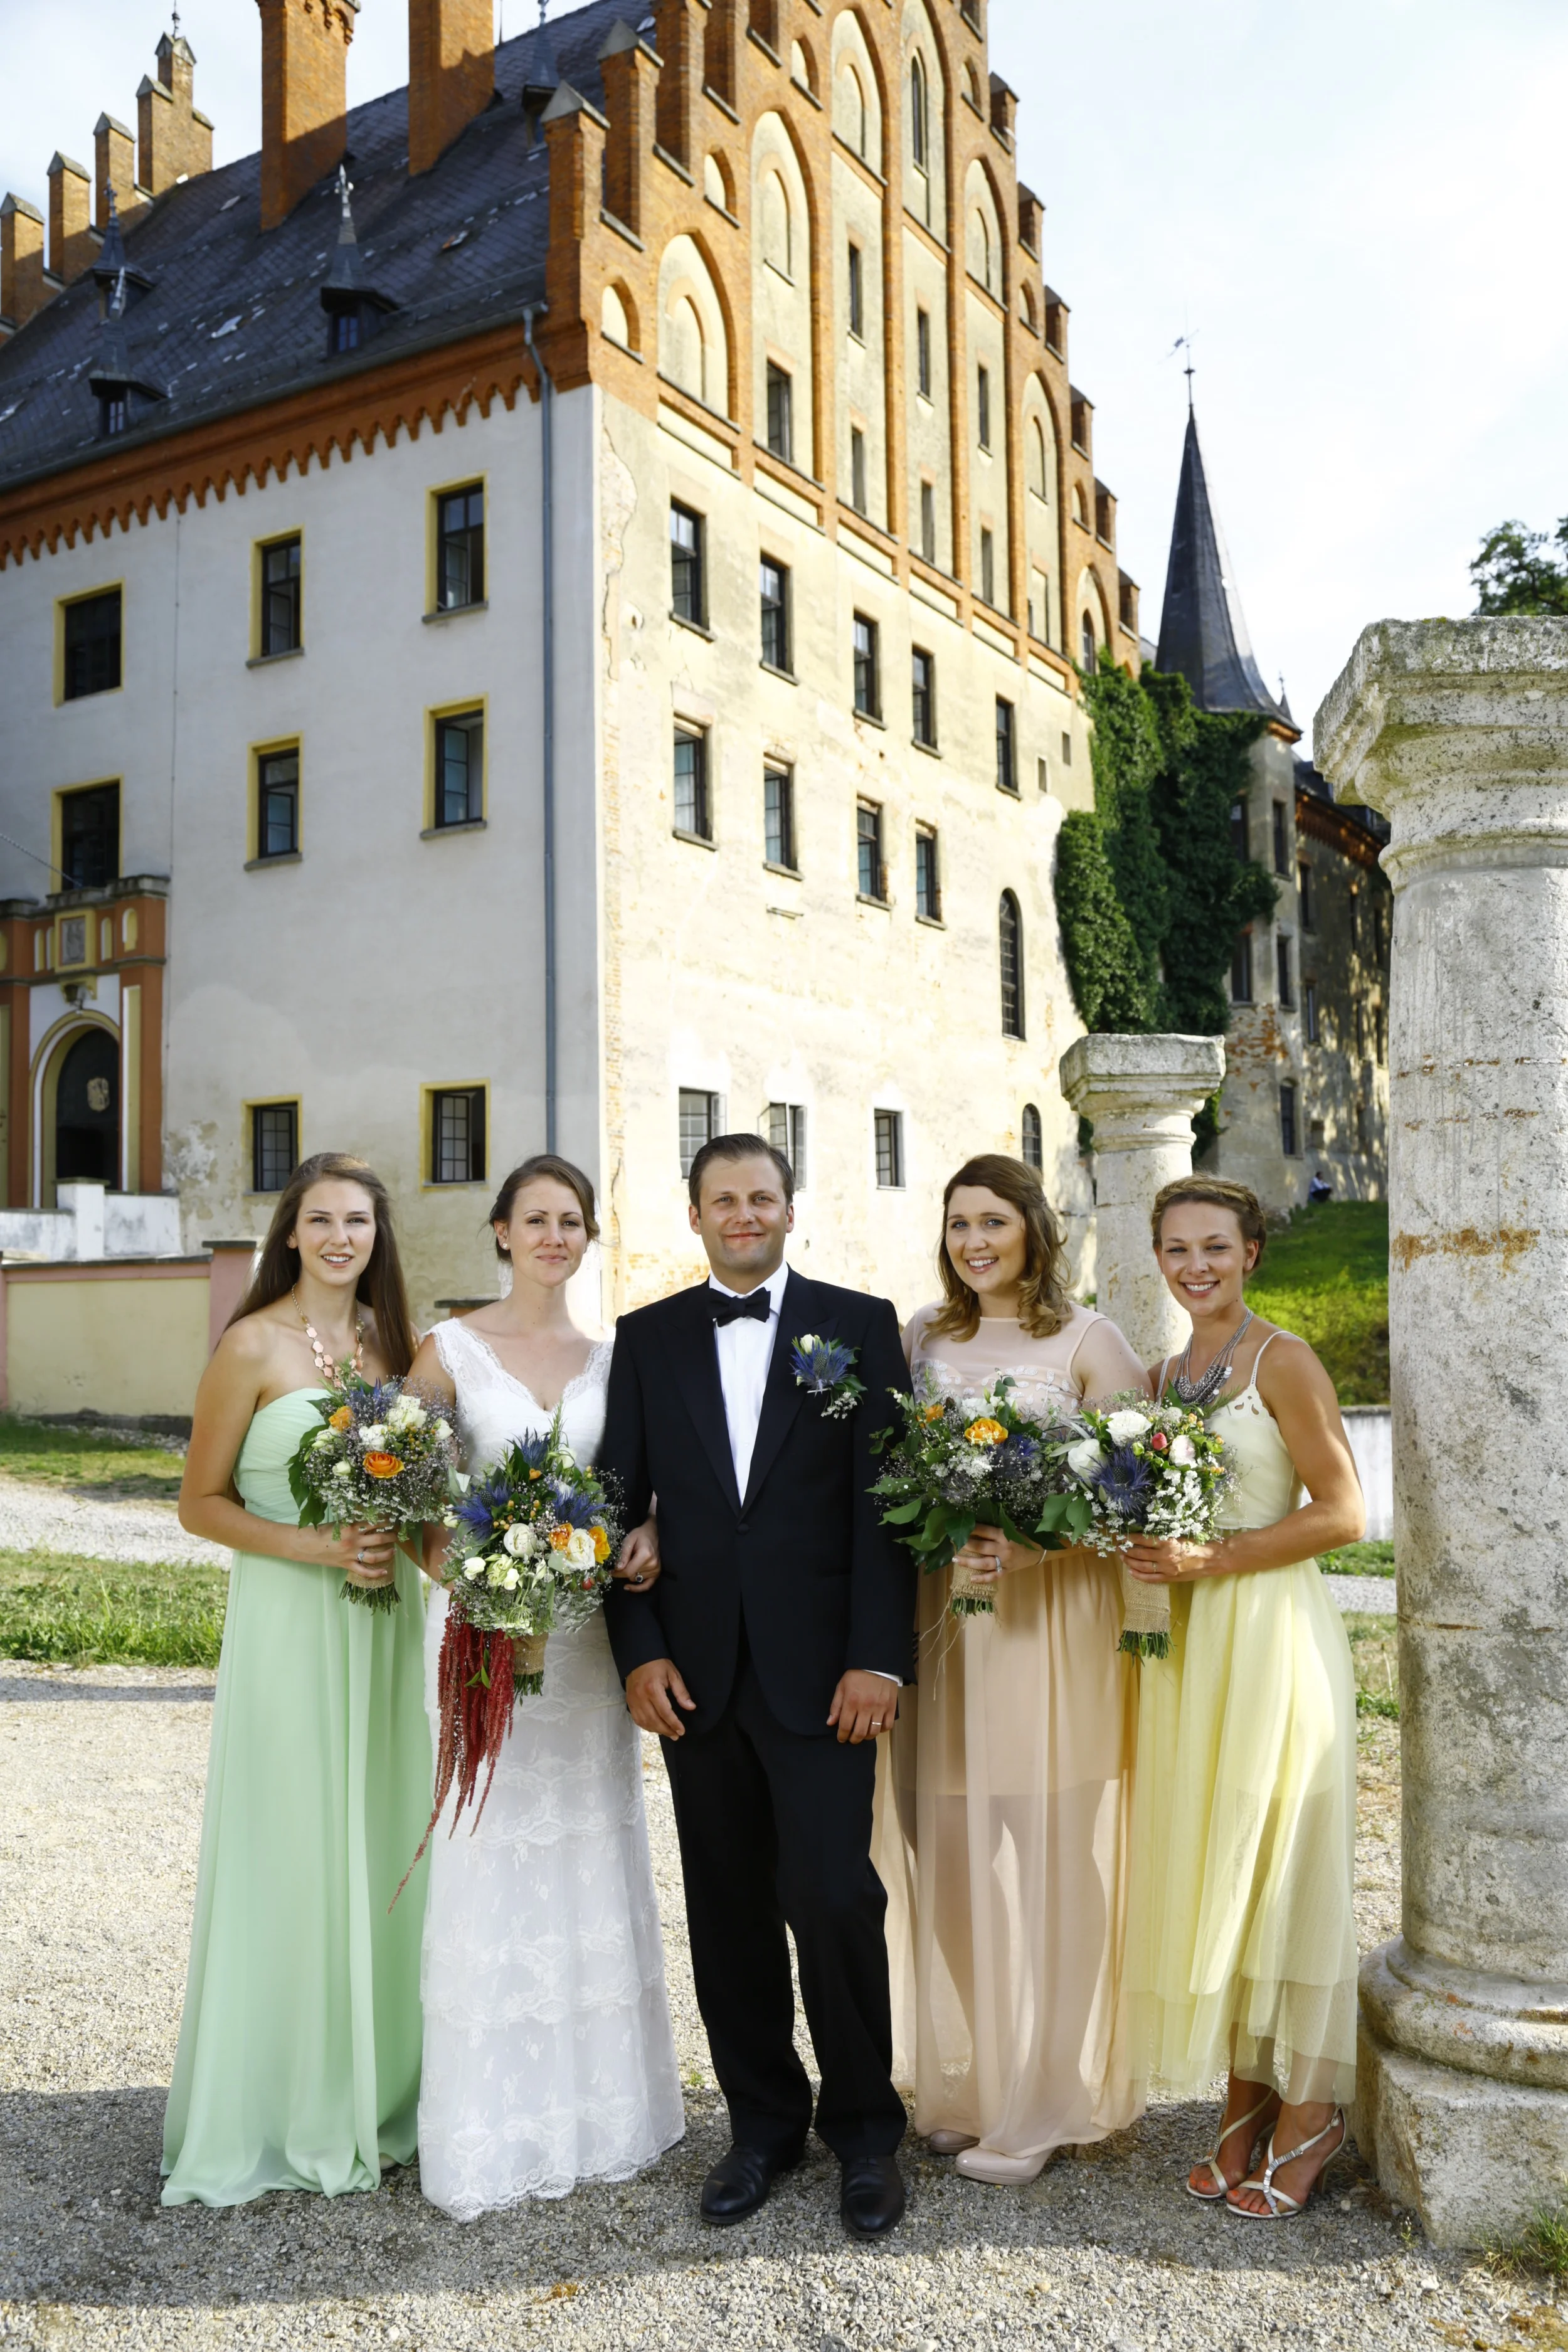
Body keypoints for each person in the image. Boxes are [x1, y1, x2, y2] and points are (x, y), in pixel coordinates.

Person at [600, 1136, 915, 2240]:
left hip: (828, 1677)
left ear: (790, 1206)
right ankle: (763, 2125)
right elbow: (614, 1507)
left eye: (761, 1196)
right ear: (693, 1214)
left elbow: (889, 1505)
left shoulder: (859, 1325)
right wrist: (638, 1649)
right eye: (723, 1198)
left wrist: (879, 1656)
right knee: (727, 1909)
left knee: (834, 1898)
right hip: (695, 1679)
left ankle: (866, 2132)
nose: (744, 1213)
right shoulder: (646, 1338)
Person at [410, 1153, 683, 2218]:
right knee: (488, 1838)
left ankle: (603, 2110)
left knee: (588, 1838)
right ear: (501, 1230)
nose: (554, 1237)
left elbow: (649, 1487)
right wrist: (483, 1585)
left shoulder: (620, 1357)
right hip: (483, 1630)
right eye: (536, 1219)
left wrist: (651, 1529)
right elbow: (413, 1499)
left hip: (584, 1644)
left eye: (572, 1220)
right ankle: (493, 2120)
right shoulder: (449, 1350)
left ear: (588, 1236)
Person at [874, 1153, 1148, 2185]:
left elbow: (1136, 1495)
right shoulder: (921, 1338)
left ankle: (1052, 2090)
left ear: (1034, 1226)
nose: (974, 1241)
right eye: (958, 1224)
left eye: (992, 1220)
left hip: (1049, 1629)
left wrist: (1037, 1547)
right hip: (942, 1625)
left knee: (1051, 1853)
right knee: (944, 1851)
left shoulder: (1090, 1341)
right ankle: (986, 2075)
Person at [163, 1154, 432, 2205]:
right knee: (293, 1843)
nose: (339, 1236)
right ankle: (284, 2099)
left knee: (379, 1838)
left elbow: (420, 1498)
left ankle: (379, 2086)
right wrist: (320, 1547)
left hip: (383, 1628)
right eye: (320, 1219)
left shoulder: (394, 1345)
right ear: (289, 1232)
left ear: (377, 1235)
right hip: (289, 1621)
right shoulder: (250, 1344)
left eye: (357, 1220)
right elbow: (199, 1503)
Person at [1123, 1175, 1364, 2222]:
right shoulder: (1162, 1377)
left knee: (1285, 1865)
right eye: (1178, 1249)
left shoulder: (1284, 1359)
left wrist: (1213, 1556)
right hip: (1187, 1648)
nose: (1196, 1266)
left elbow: (1345, 1511)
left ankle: (1312, 2106)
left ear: (1251, 1252)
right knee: (1217, 1862)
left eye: (1215, 1246)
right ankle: (1245, 2092)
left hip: (1269, 1635)